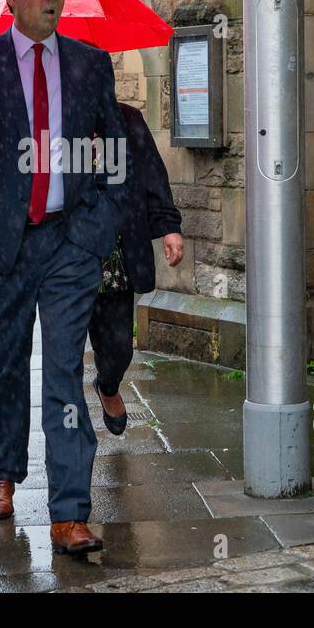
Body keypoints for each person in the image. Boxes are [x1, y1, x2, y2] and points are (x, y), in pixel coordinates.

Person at [0, 0, 128, 557]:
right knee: (5, 366)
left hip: (69, 245)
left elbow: (114, 155)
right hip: (2, 244)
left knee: (63, 377)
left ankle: (70, 510)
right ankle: (3, 469)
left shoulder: (90, 64)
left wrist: (96, 231)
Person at [89, 102, 184, 434]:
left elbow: (152, 175)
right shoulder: (51, 119)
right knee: (63, 354)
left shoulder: (128, 120)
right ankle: (69, 439)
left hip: (116, 256)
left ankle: (108, 384)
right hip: (67, 257)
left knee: (118, 349)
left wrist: (169, 227)